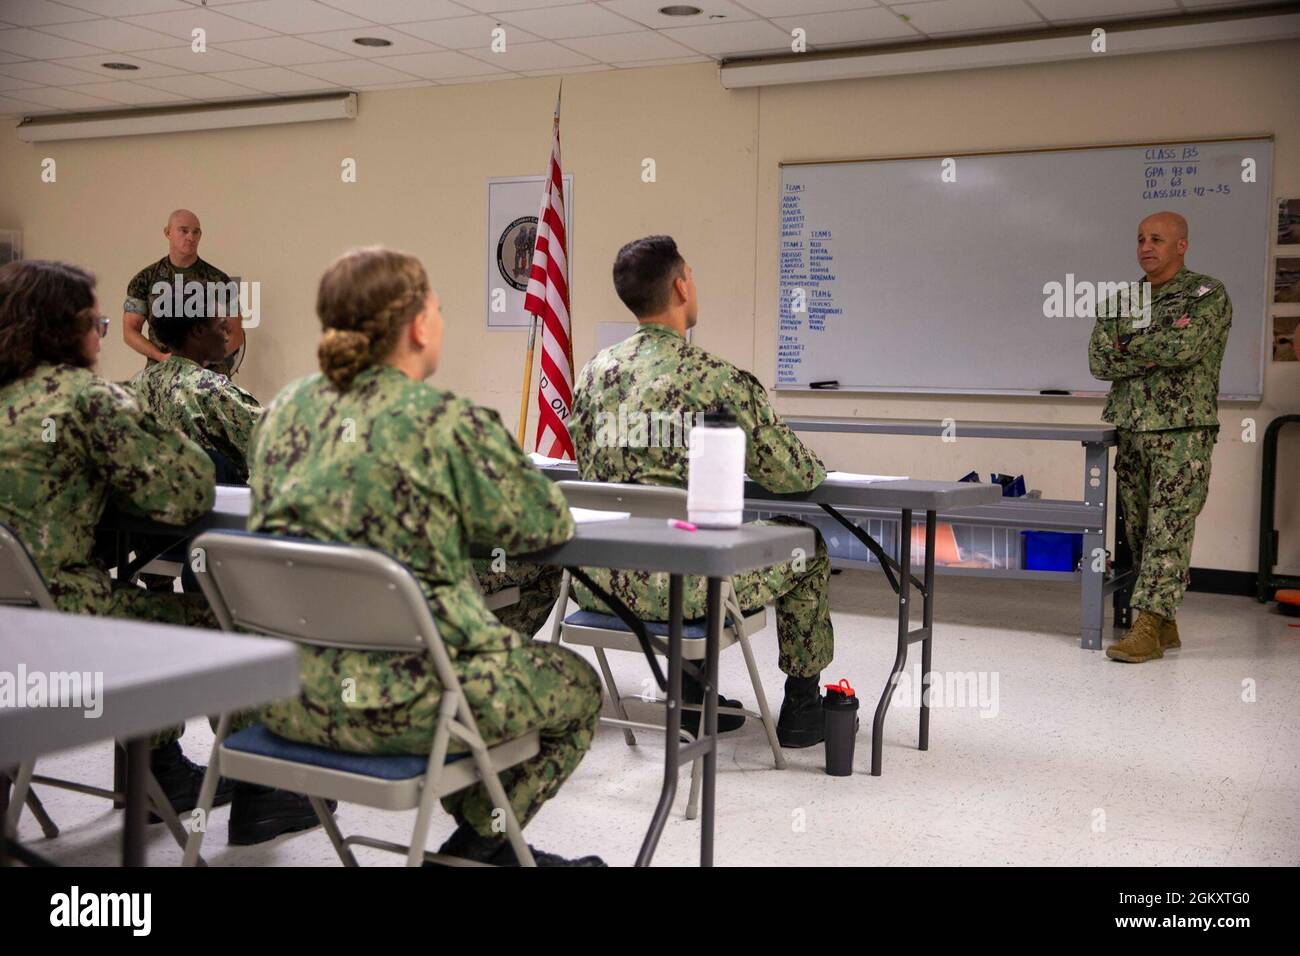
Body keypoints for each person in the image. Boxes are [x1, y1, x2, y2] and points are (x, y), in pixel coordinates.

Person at [247, 246, 605, 866]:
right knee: (577, 687)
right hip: (409, 707)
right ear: (417, 326)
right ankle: (482, 844)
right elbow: (544, 521)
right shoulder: (445, 422)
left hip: (284, 697)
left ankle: (481, 846)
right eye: (437, 309)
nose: (440, 319)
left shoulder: (283, 412)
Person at [0, 260, 322, 843]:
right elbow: (185, 489)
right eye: (93, 321)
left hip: (11, 633)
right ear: (61, 329)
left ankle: (161, 769)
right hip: (67, 625)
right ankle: (263, 791)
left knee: (136, 591)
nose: (102, 333)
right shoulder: (87, 400)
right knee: (236, 625)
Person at [567, 235, 833, 747]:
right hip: (687, 588)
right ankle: (803, 708)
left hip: (598, 579)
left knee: (687, 535)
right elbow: (794, 477)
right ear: (681, 284)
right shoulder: (719, 381)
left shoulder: (593, 375)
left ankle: (692, 696)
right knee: (807, 546)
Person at [1088, 211, 1232, 663]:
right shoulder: (1121, 300)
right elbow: (1099, 361)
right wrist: (1155, 349)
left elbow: (1186, 349)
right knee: (1140, 532)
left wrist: (1131, 346)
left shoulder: (1207, 295)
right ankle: (1166, 623)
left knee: (1170, 528)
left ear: (1181, 245)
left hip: (1182, 432)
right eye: (1140, 239)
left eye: (1157, 239)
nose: (1146, 247)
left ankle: (1146, 627)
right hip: (1132, 429)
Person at [128, 310, 261, 484]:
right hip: (214, 503)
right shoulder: (213, 390)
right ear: (198, 331)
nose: (227, 336)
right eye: (222, 327)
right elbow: (275, 441)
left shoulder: (137, 384)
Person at [123, 209, 246, 377]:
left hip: (209, 378)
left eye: (196, 232)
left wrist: (203, 360)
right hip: (162, 377)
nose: (191, 237)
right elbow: (130, 330)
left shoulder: (219, 280)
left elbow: (236, 335)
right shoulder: (145, 279)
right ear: (168, 232)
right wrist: (160, 356)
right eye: (184, 230)